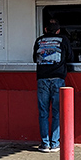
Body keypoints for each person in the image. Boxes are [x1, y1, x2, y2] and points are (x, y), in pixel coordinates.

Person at [32, 20, 73, 152]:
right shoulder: (63, 39)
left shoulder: (39, 40)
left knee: (43, 113)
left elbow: (35, 59)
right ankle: (55, 143)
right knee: (57, 112)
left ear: (45, 29)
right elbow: (70, 57)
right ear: (58, 30)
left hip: (42, 79)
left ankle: (45, 144)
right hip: (58, 79)